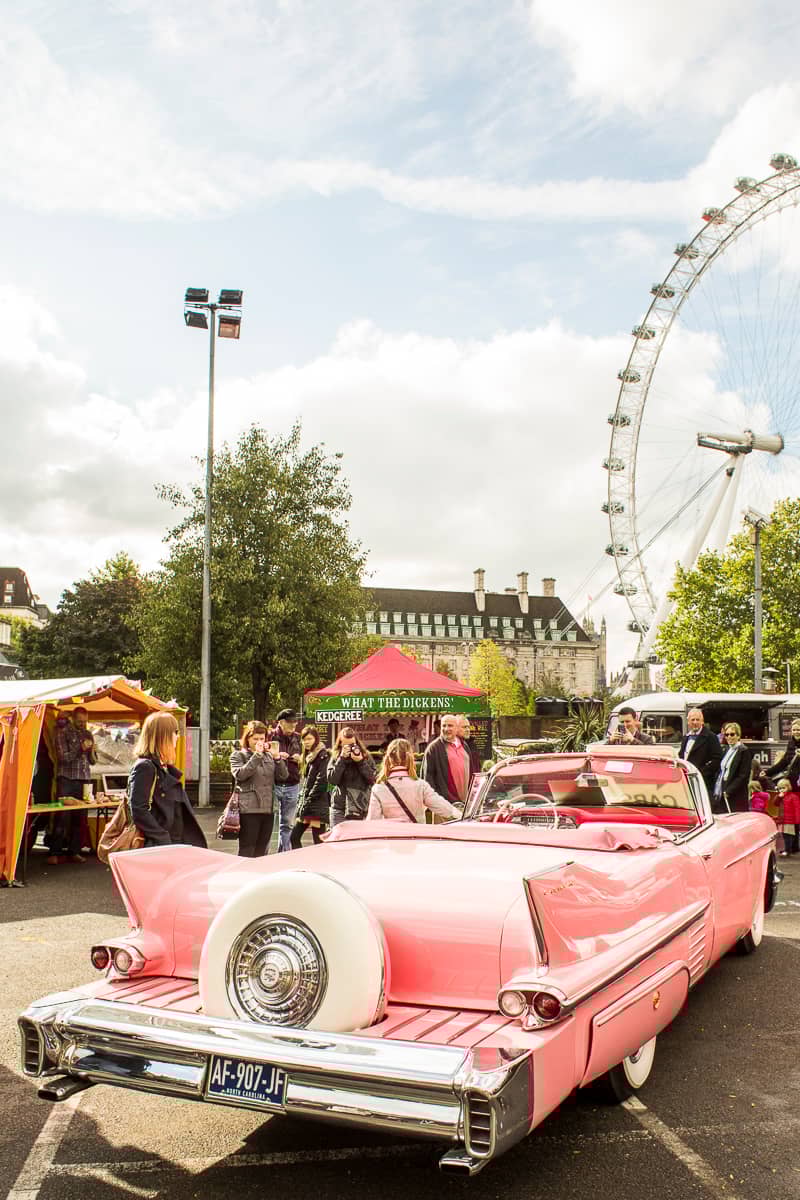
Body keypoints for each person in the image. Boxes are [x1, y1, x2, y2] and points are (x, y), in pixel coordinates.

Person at [129, 712, 207, 849]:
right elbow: (138, 809)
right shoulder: (145, 767)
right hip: (158, 846)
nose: (177, 736)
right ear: (162, 735)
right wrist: (162, 838)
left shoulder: (163, 767)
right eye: (175, 732)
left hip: (173, 842)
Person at [230, 720, 288, 857]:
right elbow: (240, 774)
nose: (259, 741)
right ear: (247, 739)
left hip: (268, 808)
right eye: (255, 738)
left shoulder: (269, 755)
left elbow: (283, 776)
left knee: (262, 849)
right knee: (247, 848)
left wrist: (278, 758)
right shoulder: (238, 755)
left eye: (262, 738)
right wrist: (256, 756)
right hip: (249, 808)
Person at [367, 739, 460, 822]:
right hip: (416, 837)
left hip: (390, 838)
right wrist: (461, 815)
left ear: (388, 759)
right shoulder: (420, 785)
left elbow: (373, 820)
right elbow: (442, 807)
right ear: (410, 758)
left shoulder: (378, 788)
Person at [49, 706, 96, 864]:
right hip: (67, 778)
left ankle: (74, 851)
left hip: (84, 779)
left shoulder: (88, 734)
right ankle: (54, 853)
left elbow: (93, 762)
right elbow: (63, 758)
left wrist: (91, 751)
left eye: (85, 721)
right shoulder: (62, 732)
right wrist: (80, 748)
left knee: (80, 817)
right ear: (73, 719)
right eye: (80, 721)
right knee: (62, 816)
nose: (82, 724)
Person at [290, 726, 330, 848]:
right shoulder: (309, 756)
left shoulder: (322, 755)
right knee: (295, 837)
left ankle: (317, 865)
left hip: (316, 804)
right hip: (308, 803)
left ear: (316, 739)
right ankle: (303, 862)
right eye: (304, 739)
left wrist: (309, 799)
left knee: (317, 842)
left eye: (309, 739)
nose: (306, 742)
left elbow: (322, 781)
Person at [421, 714, 474, 808]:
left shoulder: (464, 746)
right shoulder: (433, 748)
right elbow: (427, 778)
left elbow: (472, 772)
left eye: (450, 725)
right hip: (444, 805)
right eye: (443, 726)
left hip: (465, 804)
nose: (446, 729)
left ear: (457, 728)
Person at [328, 727, 376, 825]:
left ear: (357, 743)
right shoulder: (336, 757)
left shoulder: (365, 756)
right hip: (339, 807)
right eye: (346, 745)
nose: (349, 748)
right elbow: (332, 780)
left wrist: (361, 762)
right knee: (337, 838)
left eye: (352, 745)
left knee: (358, 839)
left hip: (360, 807)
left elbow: (373, 780)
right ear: (340, 744)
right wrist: (341, 760)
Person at [272, 708, 302, 852]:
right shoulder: (270, 736)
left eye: (295, 723)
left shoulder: (298, 737)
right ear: (281, 722)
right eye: (290, 723)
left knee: (288, 823)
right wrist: (275, 756)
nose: (293, 727)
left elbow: (306, 759)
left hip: (293, 783)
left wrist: (300, 759)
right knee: (269, 823)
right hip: (273, 783)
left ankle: (284, 853)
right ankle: (262, 855)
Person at [679, 708, 723, 794]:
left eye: (697, 720)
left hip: (703, 781)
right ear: (688, 722)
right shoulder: (685, 737)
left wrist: (702, 772)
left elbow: (717, 759)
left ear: (702, 721)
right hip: (686, 779)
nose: (695, 722)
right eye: (692, 720)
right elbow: (682, 756)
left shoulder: (711, 737)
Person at [711, 722, 753, 813]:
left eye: (732, 734)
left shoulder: (744, 751)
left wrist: (729, 790)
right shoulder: (726, 749)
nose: (729, 737)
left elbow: (743, 775)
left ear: (738, 736)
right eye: (727, 735)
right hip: (722, 789)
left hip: (736, 794)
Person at [761, 718, 800, 791]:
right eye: (794, 730)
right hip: (792, 780)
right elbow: (783, 762)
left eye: (798, 730)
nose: (796, 732)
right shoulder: (791, 743)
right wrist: (767, 772)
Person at [775, 777, 800, 857]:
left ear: (788, 787)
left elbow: (797, 808)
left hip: (790, 820)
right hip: (782, 819)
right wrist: (779, 796)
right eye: (780, 788)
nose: (781, 790)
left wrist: (797, 820)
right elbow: (775, 803)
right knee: (784, 835)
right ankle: (787, 849)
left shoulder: (793, 797)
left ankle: (788, 850)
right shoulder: (781, 797)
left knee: (788, 836)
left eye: (783, 788)